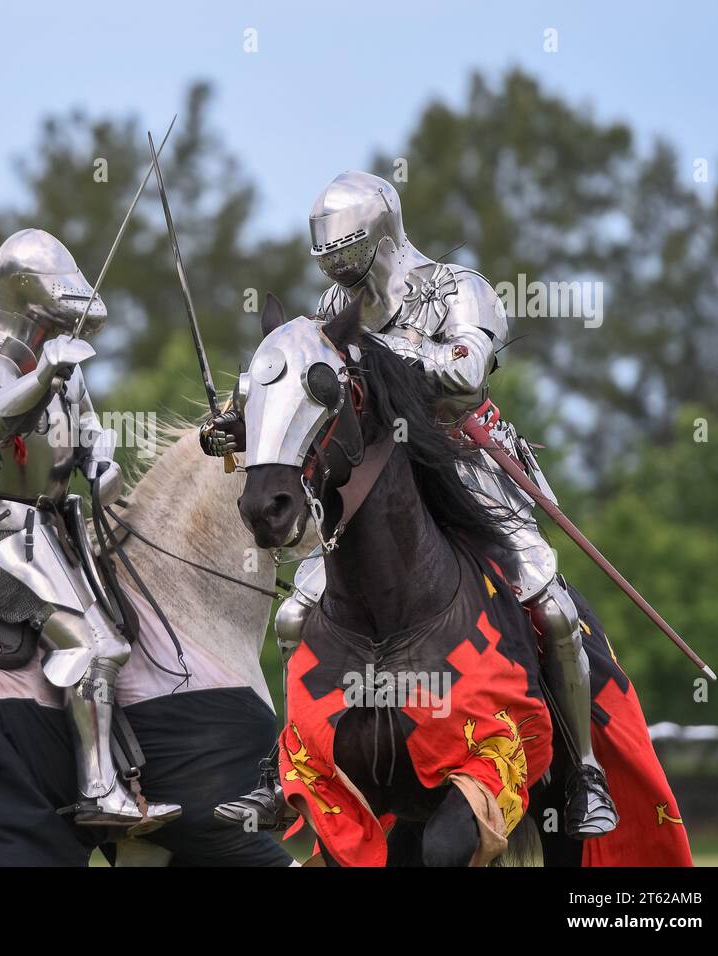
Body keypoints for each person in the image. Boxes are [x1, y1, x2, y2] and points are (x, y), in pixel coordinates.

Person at [202, 172, 617, 838]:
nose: (337, 269)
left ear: (382, 235)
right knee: (294, 612)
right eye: (327, 259)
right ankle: (285, 774)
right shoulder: (335, 302)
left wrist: (368, 350)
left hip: (468, 462)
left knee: (551, 603)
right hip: (381, 476)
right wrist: (242, 416)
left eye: (345, 252)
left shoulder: (459, 288)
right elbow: (318, 390)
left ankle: (585, 775)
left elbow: (463, 370)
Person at [0, 228, 180, 830]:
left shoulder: (61, 358)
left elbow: (87, 429)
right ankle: (97, 793)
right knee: (93, 645)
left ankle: (130, 772)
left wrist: (100, 460)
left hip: (51, 520)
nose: (58, 333)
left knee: (124, 630)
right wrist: (42, 376)